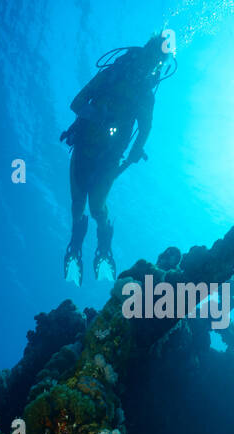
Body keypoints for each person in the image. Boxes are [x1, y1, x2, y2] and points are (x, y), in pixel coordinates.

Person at [61, 37, 171, 283]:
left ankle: (102, 247)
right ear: (142, 52)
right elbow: (76, 103)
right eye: (150, 57)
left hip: (109, 159)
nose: (149, 65)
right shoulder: (112, 75)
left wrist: (135, 151)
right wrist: (98, 116)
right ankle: (76, 245)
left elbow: (145, 129)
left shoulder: (145, 95)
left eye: (156, 62)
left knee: (97, 207)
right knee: (77, 205)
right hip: (83, 146)